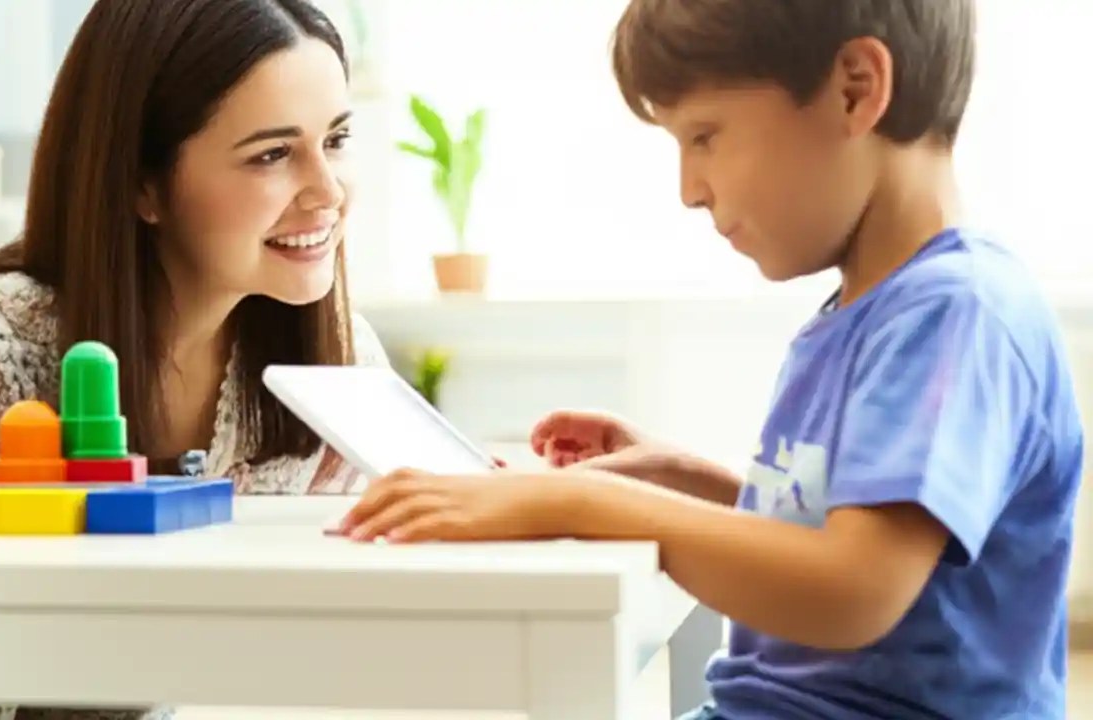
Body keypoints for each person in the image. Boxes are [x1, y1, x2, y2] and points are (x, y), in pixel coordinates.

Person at [340, 1, 1082, 718]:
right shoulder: (878, 309)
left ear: (855, 89)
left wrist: (580, 503)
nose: (690, 190)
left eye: (705, 136)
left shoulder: (956, 311)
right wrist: (682, 479)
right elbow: (843, 537)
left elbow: (853, 588)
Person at [0, 1, 385, 719]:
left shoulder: (341, 364)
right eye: (272, 154)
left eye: (335, 139)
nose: (328, 191)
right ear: (144, 184)